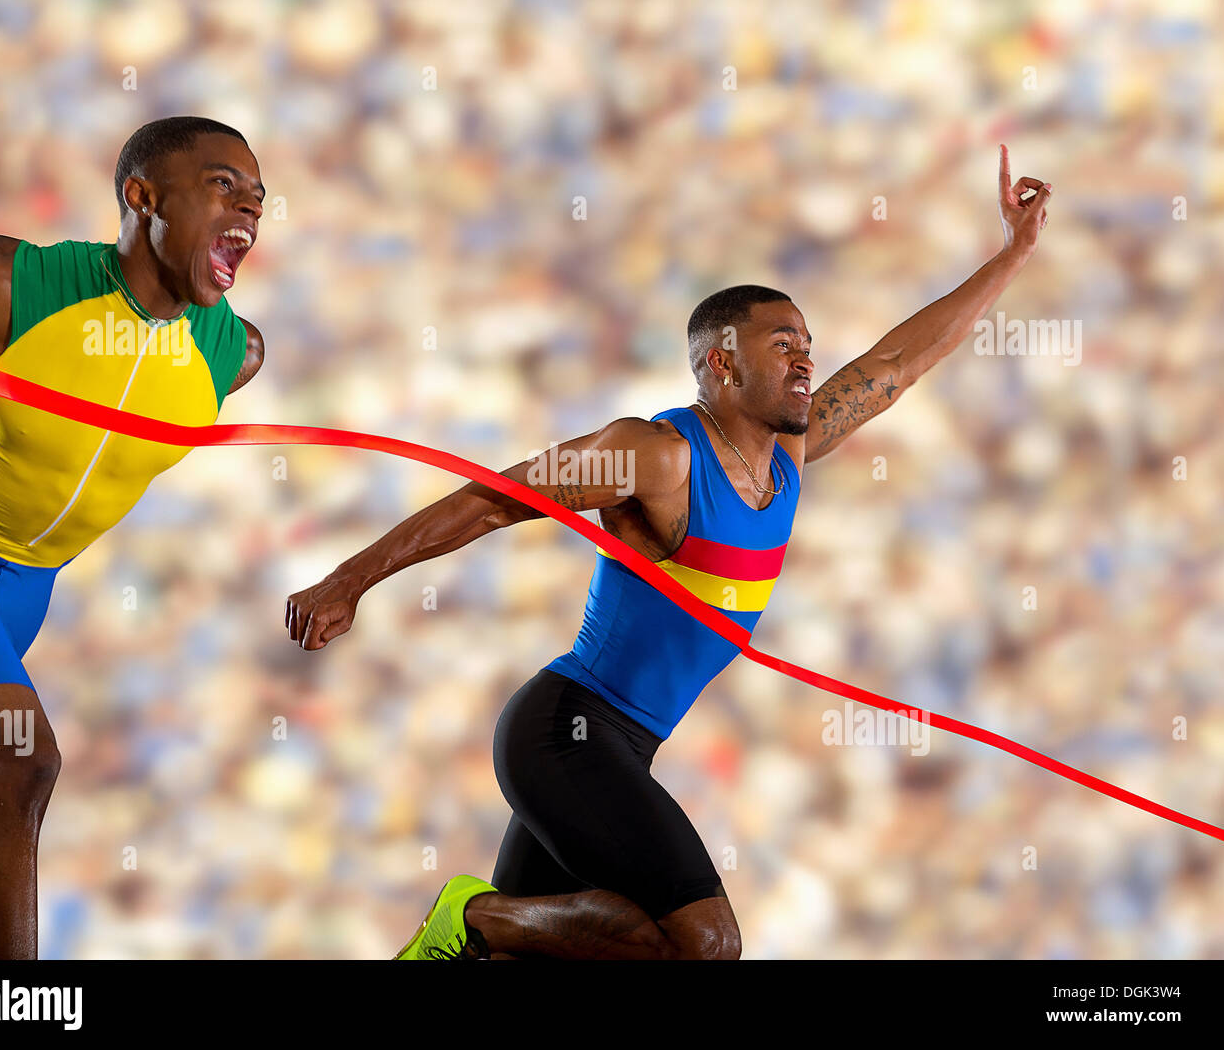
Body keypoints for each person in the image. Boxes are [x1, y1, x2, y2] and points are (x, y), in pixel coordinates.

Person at [286, 146, 1051, 959]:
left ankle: (480, 939)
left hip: (625, 747)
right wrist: (350, 577)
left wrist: (1013, 253)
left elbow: (897, 365)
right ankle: (468, 915)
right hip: (565, 729)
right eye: (783, 343)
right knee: (704, 943)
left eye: (809, 342)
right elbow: (493, 499)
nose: (807, 357)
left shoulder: (788, 458)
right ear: (721, 363)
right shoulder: (656, 457)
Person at [0, 116, 266, 959]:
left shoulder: (233, 355)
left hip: (25, 593)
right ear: (142, 197)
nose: (250, 211)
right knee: (18, 762)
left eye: (259, 199)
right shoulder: (5, 281)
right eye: (224, 185)